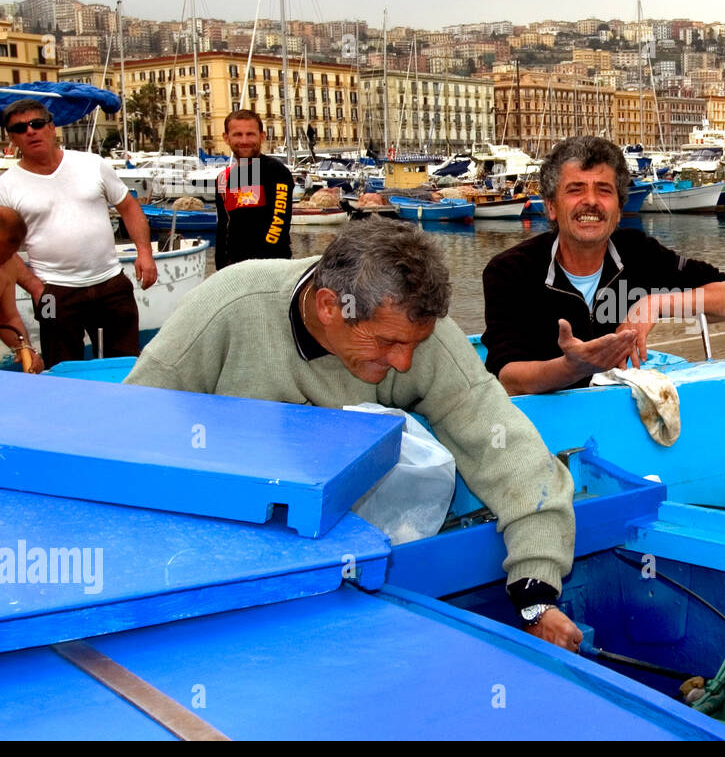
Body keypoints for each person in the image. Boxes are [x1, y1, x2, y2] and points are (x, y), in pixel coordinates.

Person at [124, 218, 584, 651]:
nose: (404, 363)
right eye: (386, 344)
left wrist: (536, 592)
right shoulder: (229, 304)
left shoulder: (418, 331)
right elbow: (129, 427)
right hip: (221, 537)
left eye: (414, 344)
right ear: (330, 307)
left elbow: (510, 453)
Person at [483, 135, 725, 394]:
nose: (592, 201)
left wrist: (654, 304)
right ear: (551, 207)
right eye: (575, 189)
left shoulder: (638, 252)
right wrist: (574, 367)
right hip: (546, 421)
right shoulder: (510, 271)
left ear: (619, 209)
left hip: (621, 414)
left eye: (604, 190)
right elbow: (508, 377)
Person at [0, 100, 156, 368]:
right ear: (12, 138)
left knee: (126, 364)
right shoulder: (6, 186)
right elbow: (5, 251)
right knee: (60, 367)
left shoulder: (92, 164)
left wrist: (145, 252)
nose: (30, 131)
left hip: (111, 283)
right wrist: (37, 288)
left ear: (51, 127)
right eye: (20, 128)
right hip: (52, 292)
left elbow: (128, 207)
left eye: (36, 124)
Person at [215, 109, 293, 269]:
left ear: (262, 136)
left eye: (250, 134)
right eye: (237, 134)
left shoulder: (276, 171)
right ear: (226, 138)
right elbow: (223, 227)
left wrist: (257, 267)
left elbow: (278, 222)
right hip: (233, 272)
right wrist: (220, 269)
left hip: (272, 268)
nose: (244, 140)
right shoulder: (223, 178)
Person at [0, 207, 44, 373]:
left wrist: (25, 350)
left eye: (7, 255)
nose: (4, 261)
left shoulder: (7, 264)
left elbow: (8, 318)